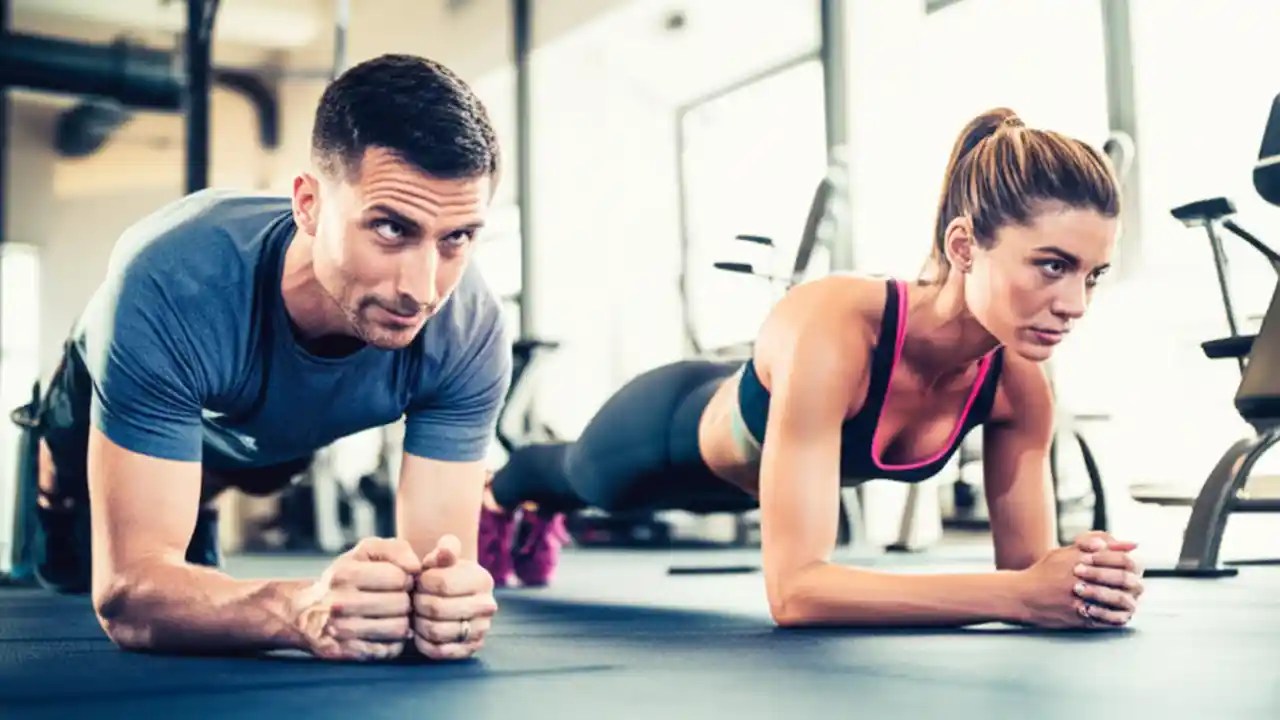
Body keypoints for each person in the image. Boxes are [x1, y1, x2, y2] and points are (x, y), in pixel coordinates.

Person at [481, 108, 1147, 630]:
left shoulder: (1021, 386)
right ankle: (500, 496)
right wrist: (1024, 596)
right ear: (965, 246)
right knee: (574, 476)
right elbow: (796, 591)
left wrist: (1082, 581)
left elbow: (1027, 575)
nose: (1075, 304)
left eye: (1094, 275)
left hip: (742, 484)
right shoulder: (838, 326)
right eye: (1052, 266)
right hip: (665, 436)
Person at [21, 54, 509, 661]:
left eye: (456, 237)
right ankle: (54, 486)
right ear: (308, 204)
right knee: (64, 545)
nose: (422, 288)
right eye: (389, 229)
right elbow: (126, 599)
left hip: (271, 430)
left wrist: (446, 604)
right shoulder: (173, 279)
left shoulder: (471, 330)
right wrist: (298, 607)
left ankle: (195, 496)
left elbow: (440, 565)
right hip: (102, 384)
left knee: (253, 471)